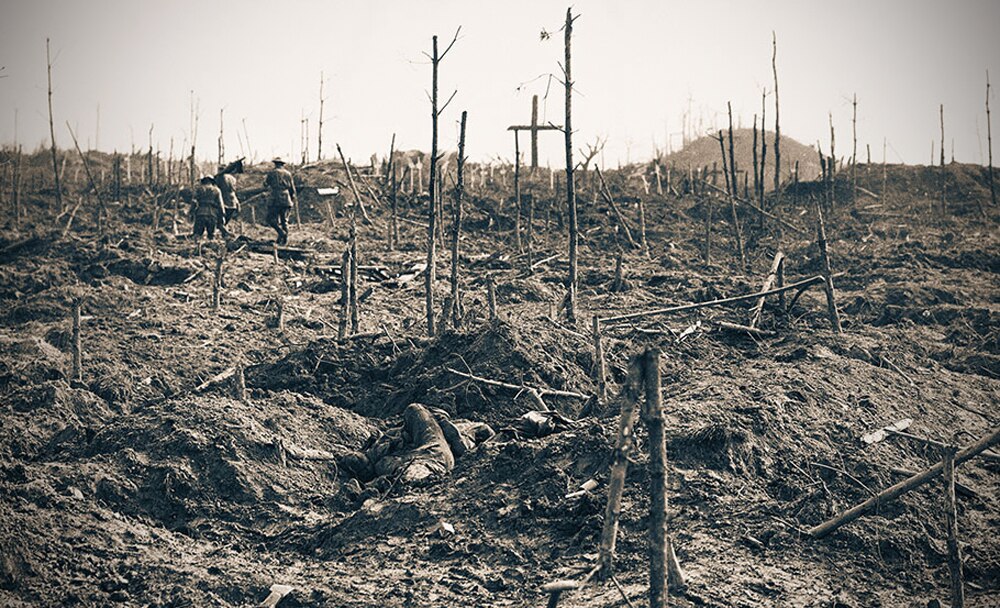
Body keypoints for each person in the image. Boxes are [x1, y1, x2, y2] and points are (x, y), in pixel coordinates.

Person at [264, 157, 296, 245]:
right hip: (286, 198)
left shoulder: (271, 173)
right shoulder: (288, 174)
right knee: (284, 221)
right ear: (282, 164)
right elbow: (292, 189)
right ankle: (284, 240)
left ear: (275, 164)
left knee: (270, 219)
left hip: (275, 198)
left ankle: (281, 233)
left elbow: (266, 184)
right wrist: (291, 198)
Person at [190, 175, 226, 240]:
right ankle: (211, 248)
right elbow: (221, 204)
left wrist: (191, 212)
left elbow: (194, 202)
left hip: (200, 213)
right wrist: (222, 215)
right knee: (211, 236)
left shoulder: (199, 189)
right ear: (212, 182)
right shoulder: (217, 190)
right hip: (212, 214)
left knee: (197, 235)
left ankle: (197, 248)